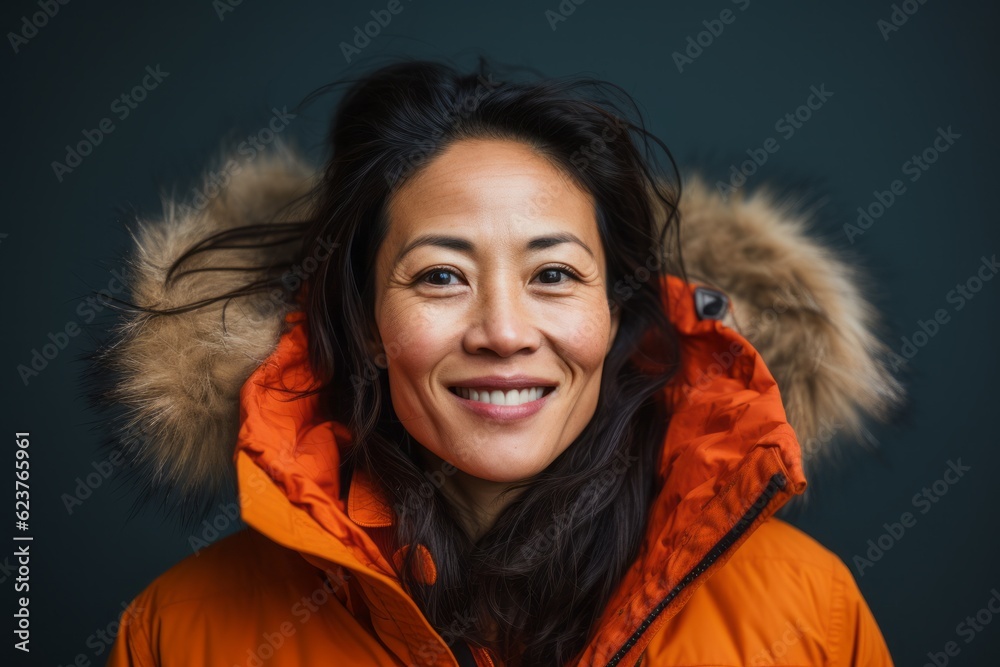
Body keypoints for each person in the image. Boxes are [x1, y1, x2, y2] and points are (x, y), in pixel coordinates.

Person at [90, 57, 903, 666]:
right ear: (367, 322)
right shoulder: (186, 630)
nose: (504, 331)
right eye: (441, 276)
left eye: (554, 274)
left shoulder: (810, 614)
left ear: (616, 315)